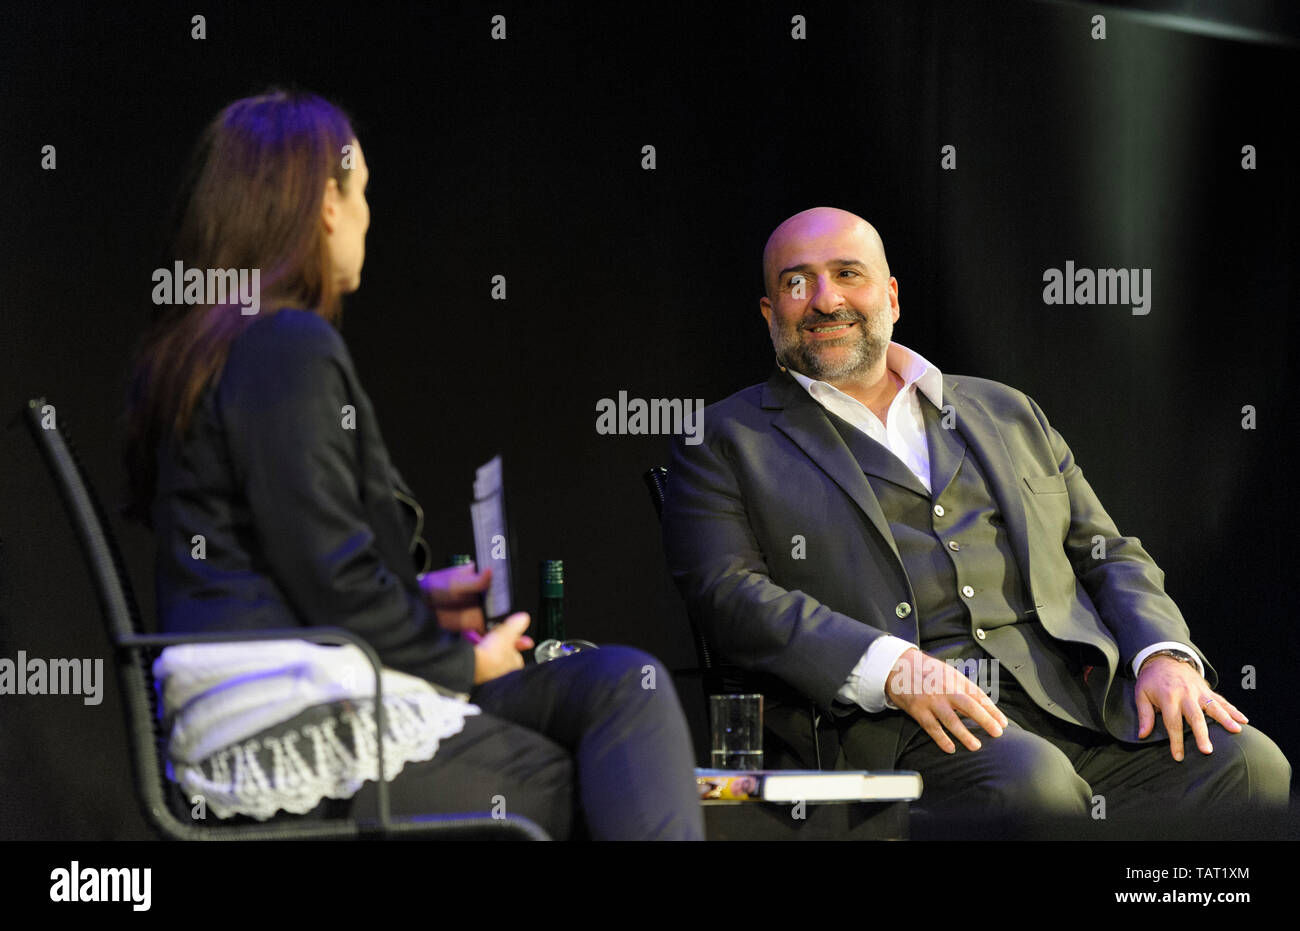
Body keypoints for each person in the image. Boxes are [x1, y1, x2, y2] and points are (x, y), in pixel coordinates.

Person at [121, 89, 703, 841]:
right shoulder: (284, 344)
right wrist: (466, 664)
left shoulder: (209, 348)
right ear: (325, 203)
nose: (368, 215)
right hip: (291, 718)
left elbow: (284, 558)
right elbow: (330, 577)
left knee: (625, 683)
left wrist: (427, 603)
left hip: (305, 685)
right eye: (360, 192)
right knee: (603, 780)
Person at [660, 206, 1290, 836]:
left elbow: (1106, 549)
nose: (826, 300)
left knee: (1248, 767)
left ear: (891, 296)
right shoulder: (725, 439)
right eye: (797, 283)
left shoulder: (1003, 409)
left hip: (1078, 704)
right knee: (1032, 789)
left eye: (848, 274)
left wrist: (1163, 655)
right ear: (771, 313)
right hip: (893, 731)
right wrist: (890, 668)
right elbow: (728, 595)